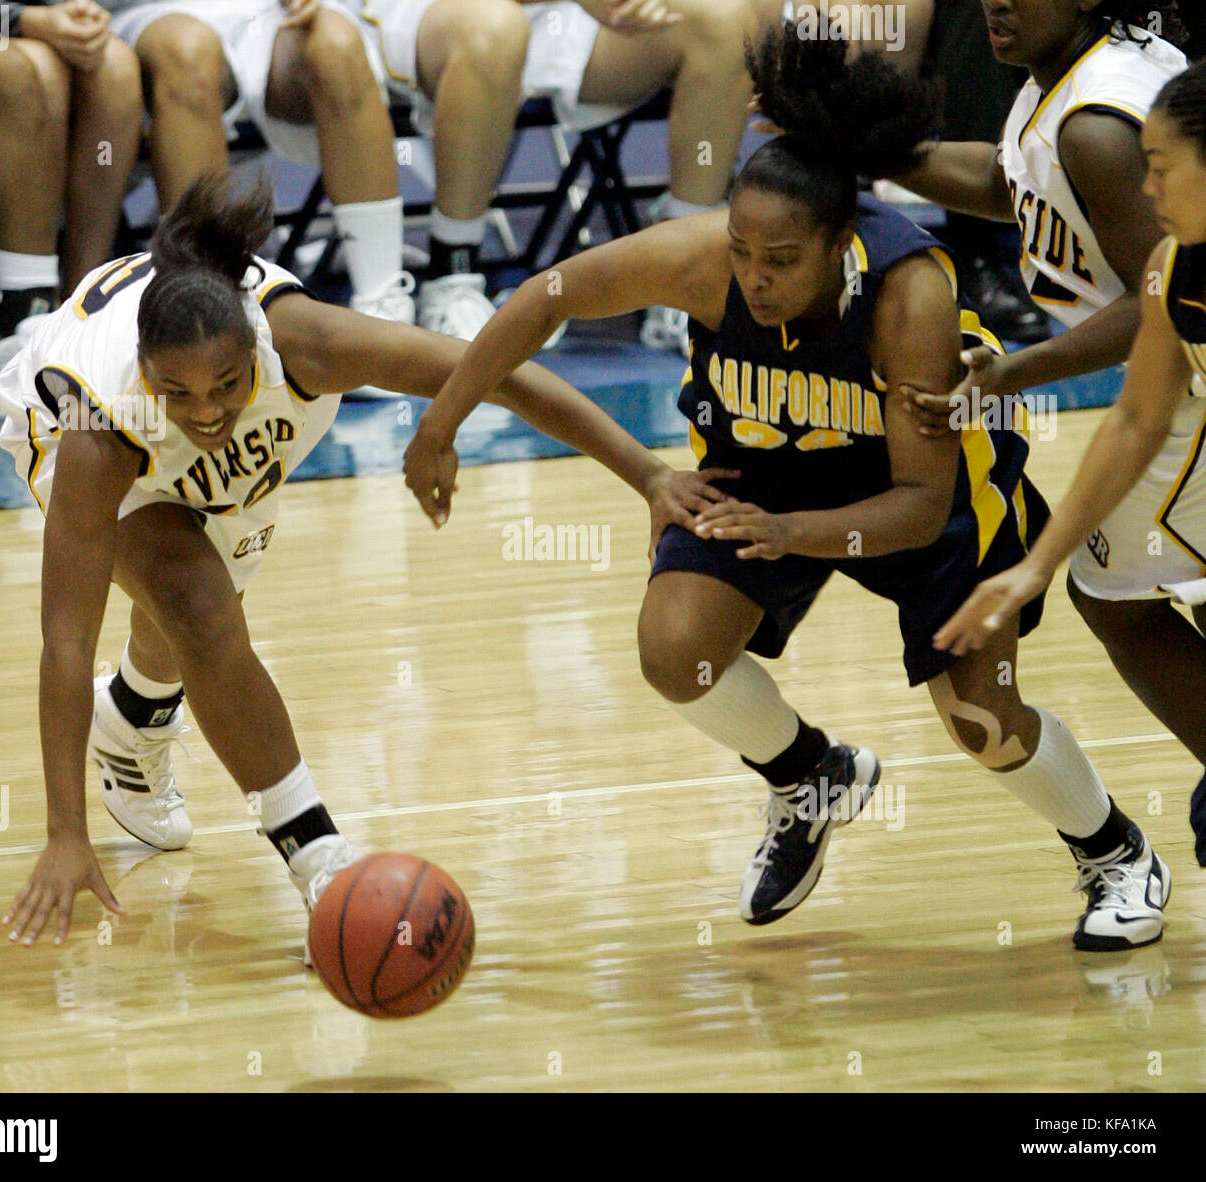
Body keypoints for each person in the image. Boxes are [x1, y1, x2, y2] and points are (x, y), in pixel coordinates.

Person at [403, 28, 1171, 949]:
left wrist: (789, 533)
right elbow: (544, 298)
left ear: (841, 243)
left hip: (925, 499)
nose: (755, 281)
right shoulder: (701, 261)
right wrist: (440, 425)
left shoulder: (908, 296)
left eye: (781, 261)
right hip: (765, 472)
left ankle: (1117, 852)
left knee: (981, 718)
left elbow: (920, 506)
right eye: (742, 253)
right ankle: (812, 774)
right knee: (675, 651)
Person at [0, 171, 717, 952]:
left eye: (227, 386)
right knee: (197, 602)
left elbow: (495, 370)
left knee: (194, 618)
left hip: (225, 443)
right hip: (80, 431)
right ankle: (322, 863)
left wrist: (647, 474)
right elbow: (65, 642)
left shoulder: (310, 343)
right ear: (143, 368)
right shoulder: (97, 427)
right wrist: (65, 832)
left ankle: (133, 718)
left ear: (254, 350)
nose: (205, 412)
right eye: (180, 391)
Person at [885, 1, 1205, 827]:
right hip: (1172, 388)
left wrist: (1013, 372)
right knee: (1118, 595)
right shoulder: (1070, 78)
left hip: (1191, 397)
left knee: (1122, 600)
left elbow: (1150, 304)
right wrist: (879, 151)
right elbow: (1011, 182)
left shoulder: (1096, 126)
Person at [352, 0, 756, 348]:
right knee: (493, 30)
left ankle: (680, 274)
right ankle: (452, 275)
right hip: (440, 16)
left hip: (569, 19)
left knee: (721, 18)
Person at [103, 0, 413, 323]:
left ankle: (385, 306)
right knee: (187, 53)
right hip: (148, 12)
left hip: (263, 10)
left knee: (336, 43)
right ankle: (208, 316)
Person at [0, 1, 142, 345]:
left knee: (89, 67)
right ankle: (34, 322)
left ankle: (65, 319)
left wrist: (31, 18)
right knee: (18, 72)